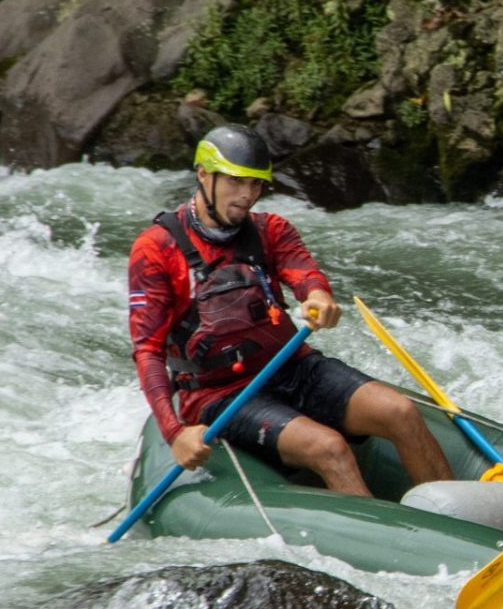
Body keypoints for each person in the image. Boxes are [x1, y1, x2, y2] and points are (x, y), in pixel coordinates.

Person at [126, 126, 452, 496]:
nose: (247, 195)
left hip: (294, 369)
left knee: (402, 413)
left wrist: (318, 297)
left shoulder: (271, 229)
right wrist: (174, 432)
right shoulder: (156, 248)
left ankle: (458, 516)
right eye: (237, 182)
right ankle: (389, 542)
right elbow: (147, 349)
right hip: (220, 394)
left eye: (256, 184)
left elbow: (305, 275)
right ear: (204, 175)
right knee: (330, 448)